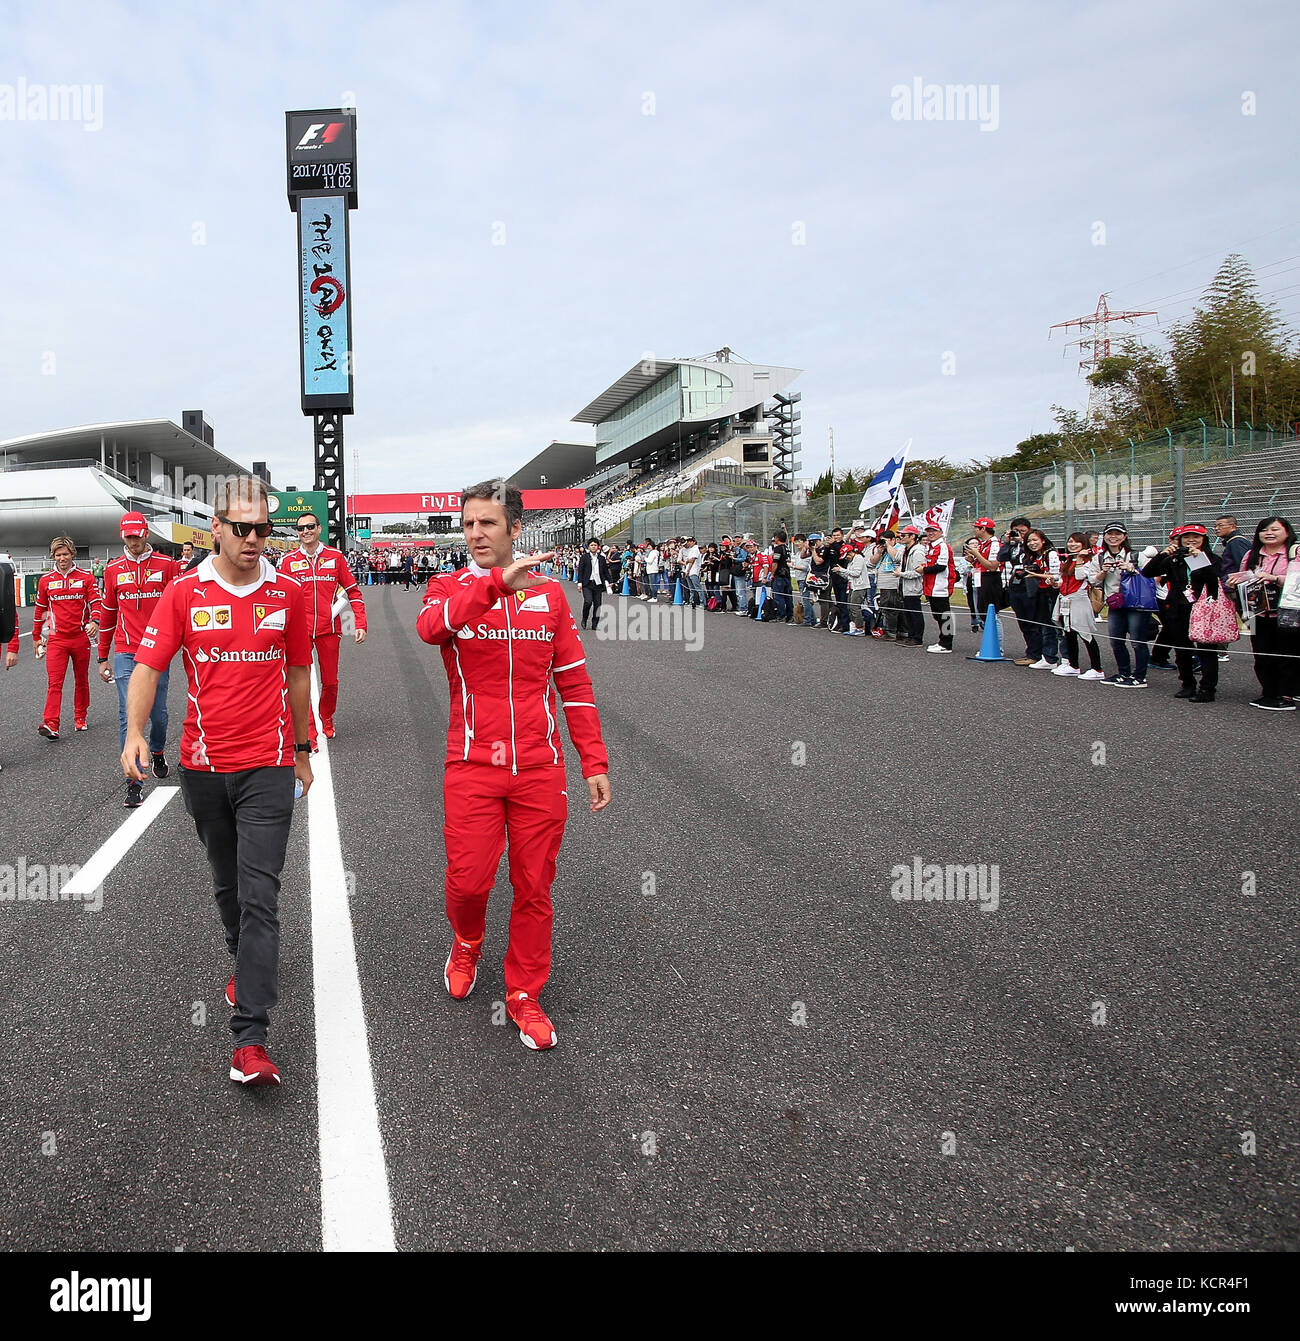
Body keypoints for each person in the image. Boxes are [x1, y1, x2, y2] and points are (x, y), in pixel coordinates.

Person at [123, 478, 314, 1086]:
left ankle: (250, 1041)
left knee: (261, 896)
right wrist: (135, 734)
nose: (254, 539)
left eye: (263, 529)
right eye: (243, 528)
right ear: (217, 528)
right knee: (228, 887)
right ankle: (242, 958)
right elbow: (148, 668)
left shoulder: (289, 593)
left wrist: (303, 748)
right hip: (203, 769)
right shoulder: (183, 593)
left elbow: (299, 674)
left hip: (269, 765)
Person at [417, 479, 611, 1052]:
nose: (475, 534)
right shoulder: (447, 587)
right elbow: (431, 629)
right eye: (468, 524)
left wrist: (593, 760)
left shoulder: (550, 597)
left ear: (515, 529)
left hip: (539, 766)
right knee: (468, 881)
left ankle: (524, 992)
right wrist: (495, 586)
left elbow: (574, 684)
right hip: (472, 763)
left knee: (534, 886)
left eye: (488, 523)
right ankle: (467, 942)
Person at [97, 513, 184, 803]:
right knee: (128, 714)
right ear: (122, 536)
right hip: (125, 649)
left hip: (158, 649)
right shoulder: (113, 569)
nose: (133, 541)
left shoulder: (166, 565)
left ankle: (157, 750)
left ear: (146, 533)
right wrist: (102, 656)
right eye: (128, 536)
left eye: (137, 535)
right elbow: (108, 613)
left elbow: (178, 608)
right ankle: (133, 782)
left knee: (158, 713)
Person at [279, 512, 367, 744]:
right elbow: (280, 598)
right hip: (299, 632)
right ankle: (308, 730)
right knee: (300, 681)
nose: (305, 531)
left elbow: (353, 592)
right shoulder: (288, 561)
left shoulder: (335, 557)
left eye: (310, 526)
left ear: (319, 529)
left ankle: (326, 717)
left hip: (329, 629)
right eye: (300, 528)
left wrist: (359, 623)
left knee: (330, 682)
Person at [1140, 524, 1228, 701]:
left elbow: (1213, 579)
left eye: (1196, 537)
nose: (1191, 540)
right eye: (1186, 537)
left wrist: (1199, 558)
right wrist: (1163, 554)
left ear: (1204, 539)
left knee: (1206, 651)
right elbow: (1148, 572)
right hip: (1178, 609)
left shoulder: (1211, 558)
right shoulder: (1174, 559)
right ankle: (1187, 684)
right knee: (1182, 650)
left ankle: (1207, 688)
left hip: (1203, 610)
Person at [31, 535, 101, 740]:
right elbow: (40, 610)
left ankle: (80, 716)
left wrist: (95, 622)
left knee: (82, 679)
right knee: (54, 682)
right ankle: (51, 723)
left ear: (72, 554)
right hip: (56, 639)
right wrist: (36, 637)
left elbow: (96, 603)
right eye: (58, 555)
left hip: (80, 637)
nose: (62, 558)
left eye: (65, 554)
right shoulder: (46, 580)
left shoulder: (86, 577)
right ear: (53, 556)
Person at [1225, 515, 1298, 710]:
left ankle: (1286, 695)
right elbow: (1246, 576)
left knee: (1287, 654)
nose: (1269, 533)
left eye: (1275, 529)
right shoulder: (1251, 554)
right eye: (1264, 530)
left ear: (1287, 532)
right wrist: (1236, 580)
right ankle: (1269, 692)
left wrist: (1275, 578)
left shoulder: (1295, 552)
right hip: (1256, 612)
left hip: (1287, 613)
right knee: (1262, 654)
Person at [1097, 523, 1151, 688]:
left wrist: (1132, 569)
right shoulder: (1100, 557)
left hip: (1136, 603)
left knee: (1137, 641)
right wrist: (1103, 571)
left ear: (1124, 536)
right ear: (1104, 536)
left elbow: (1153, 576)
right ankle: (1123, 673)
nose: (1113, 537)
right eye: (1110, 534)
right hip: (1115, 604)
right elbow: (1093, 579)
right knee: (1116, 641)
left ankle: (1140, 676)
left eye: (1117, 534)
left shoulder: (1136, 555)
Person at [1048, 533, 1104, 679]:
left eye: (1076, 542)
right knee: (1069, 633)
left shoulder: (1089, 561)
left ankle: (1097, 668)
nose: (1072, 544)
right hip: (1065, 600)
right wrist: (1054, 583)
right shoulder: (1068, 560)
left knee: (1086, 634)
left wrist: (1079, 559)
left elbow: (1080, 576)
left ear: (1084, 544)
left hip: (1080, 600)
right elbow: (1062, 581)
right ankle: (1073, 665)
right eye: (1070, 541)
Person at [920, 521, 957, 653]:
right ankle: (943, 641)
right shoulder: (930, 547)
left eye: (934, 531)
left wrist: (924, 570)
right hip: (931, 586)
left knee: (944, 615)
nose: (931, 533)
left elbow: (941, 566)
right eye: (929, 531)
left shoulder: (943, 546)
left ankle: (946, 644)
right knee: (937, 615)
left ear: (941, 532)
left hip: (941, 586)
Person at [964, 518, 1004, 637]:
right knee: (983, 612)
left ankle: (997, 645)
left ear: (983, 529)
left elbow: (992, 566)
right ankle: (990, 642)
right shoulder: (984, 544)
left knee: (992, 614)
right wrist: (973, 560)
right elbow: (982, 564)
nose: (974, 530)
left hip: (991, 579)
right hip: (981, 578)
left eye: (976, 528)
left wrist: (976, 554)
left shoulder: (994, 544)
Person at [896, 526, 926, 646]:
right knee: (908, 613)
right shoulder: (905, 550)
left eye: (904, 535)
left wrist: (901, 574)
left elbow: (918, 572)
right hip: (905, 586)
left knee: (915, 613)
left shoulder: (918, 552)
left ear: (913, 536)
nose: (901, 537)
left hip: (913, 587)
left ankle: (917, 638)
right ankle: (911, 636)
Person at [872, 530, 901, 639]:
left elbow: (896, 557)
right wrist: (879, 552)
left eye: (885, 540)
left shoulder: (899, 548)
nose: (883, 543)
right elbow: (872, 562)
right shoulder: (882, 551)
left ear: (893, 539)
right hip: (883, 584)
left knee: (891, 607)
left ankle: (892, 631)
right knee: (885, 607)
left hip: (892, 583)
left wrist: (888, 546)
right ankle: (888, 630)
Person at [577, 537, 609, 629]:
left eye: (595, 545)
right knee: (588, 601)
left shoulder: (601, 558)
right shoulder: (584, 557)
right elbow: (581, 571)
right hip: (587, 583)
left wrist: (609, 582)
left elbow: (605, 572)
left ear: (598, 547)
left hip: (598, 584)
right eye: (591, 545)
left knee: (598, 604)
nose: (593, 547)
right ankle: (584, 618)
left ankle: (595, 623)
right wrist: (580, 583)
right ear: (588, 547)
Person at [770, 530, 793, 622]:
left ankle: (781, 615)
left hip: (779, 575)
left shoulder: (778, 549)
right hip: (787, 574)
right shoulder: (787, 548)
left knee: (778, 596)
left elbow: (775, 563)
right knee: (788, 596)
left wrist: (772, 574)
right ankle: (790, 615)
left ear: (777, 538)